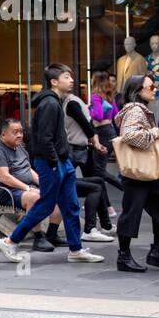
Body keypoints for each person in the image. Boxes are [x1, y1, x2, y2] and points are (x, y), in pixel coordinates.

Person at [0, 64, 104, 264]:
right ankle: (11, 241)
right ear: (54, 81)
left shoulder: (54, 102)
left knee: (70, 206)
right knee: (45, 204)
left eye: (71, 77)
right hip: (51, 162)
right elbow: (44, 138)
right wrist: (54, 162)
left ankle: (76, 249)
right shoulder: (49, 104)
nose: (71, 80)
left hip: (61, 161)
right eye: (66, 77)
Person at [113, 74, 159, 272]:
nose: (154, 89)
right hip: (138, 174)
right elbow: (129, 136)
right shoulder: (136, 109)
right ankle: (124, 257)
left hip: (147, 172)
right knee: (131, 214)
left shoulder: (141, 109)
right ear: (137, 90)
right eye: (150, 86)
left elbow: (153, 148)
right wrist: (153, 133)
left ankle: (156, 252)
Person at [0, 118, 61, 252]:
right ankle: (38, 238)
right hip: (6, 192)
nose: (20, 135)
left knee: (55, 193)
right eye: (15, 132)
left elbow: (28, 170)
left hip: (24, 189)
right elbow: (4, 177)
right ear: (3, 135)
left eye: (21, 131)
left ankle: (52, 234)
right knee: (34, 197)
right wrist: (27, 188)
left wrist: (46, 184)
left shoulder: (20, 147)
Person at [62, 83, 116, 242]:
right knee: (93, 184)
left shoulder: (73, 102)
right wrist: (96, 141)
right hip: (77, 148)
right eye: (66, 77)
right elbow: (86, 124)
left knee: (98, 181)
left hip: (81, 147)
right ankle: (91, 228)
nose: (70, 80)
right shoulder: (73, 102)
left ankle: (104, 225)